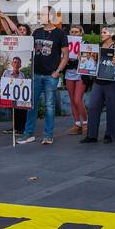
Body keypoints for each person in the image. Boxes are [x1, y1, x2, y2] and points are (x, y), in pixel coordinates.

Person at [20, 8, 68, 145]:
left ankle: (48, 135)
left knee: (49, 106)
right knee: (31, 105)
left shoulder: (60, 34)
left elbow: (66, 56)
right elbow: (25, 45)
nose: (39, 16)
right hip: (35, 74)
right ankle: (28, 134)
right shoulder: (37, 32)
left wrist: (57, 71)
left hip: (50, 76)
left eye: (42, 14)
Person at [83, 27, 115, 144]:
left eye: (104, 32)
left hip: (112, 82)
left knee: (112, 108)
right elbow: (93, 63)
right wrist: (84, 59)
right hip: (98, 81)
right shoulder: (98, 47)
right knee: (93, 107)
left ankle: (110, 135)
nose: (101, 34)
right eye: (101, 32)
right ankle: (91, 135)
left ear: (112, 34)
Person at [64, 25, 88, 136]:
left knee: (78, 99)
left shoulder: (85, 44)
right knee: (72, 99)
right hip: (69, 73)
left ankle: (86, 123)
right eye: (72, 32)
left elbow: (89, 60)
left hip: (80, 74)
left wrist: (81, 58)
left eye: (76, 32)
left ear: (81, 33)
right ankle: (77, 123)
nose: (74, 34)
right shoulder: (66, 45)